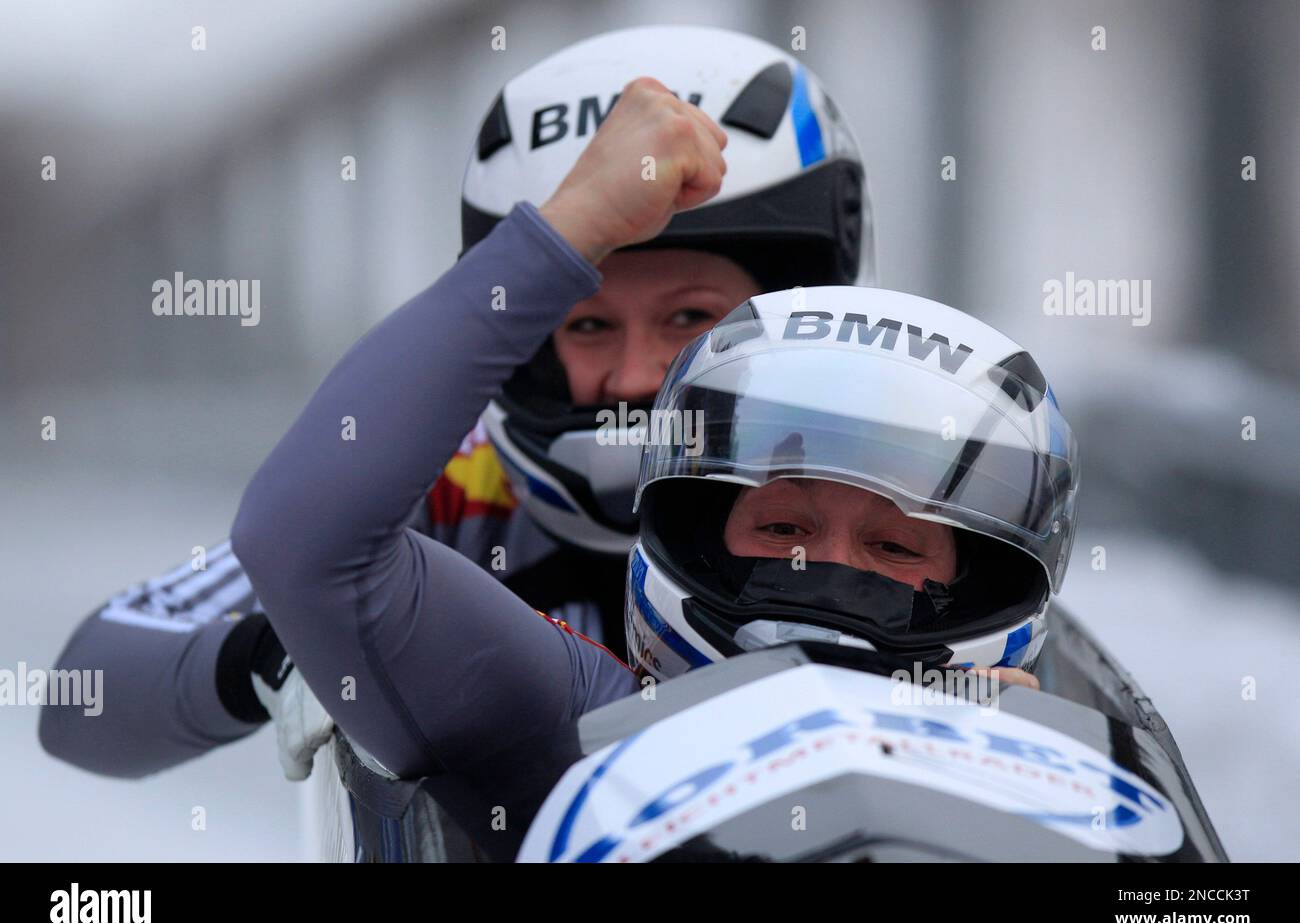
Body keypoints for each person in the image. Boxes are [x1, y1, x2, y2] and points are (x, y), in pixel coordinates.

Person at [38, 25, 869, 784]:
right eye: (586, 323)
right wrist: (277, 651)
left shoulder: (902, 489)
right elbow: (86, 696)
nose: (631, 374)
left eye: (690, 318)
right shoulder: (454, 483)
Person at [230, 229, 1080, 862]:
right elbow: (304, 536)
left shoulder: (1060, 775)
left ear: (980, 584)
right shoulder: (575, 713)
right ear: (698, 537)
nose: (826, 569)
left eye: (894, 547)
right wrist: (555, 233)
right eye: (784, 527)